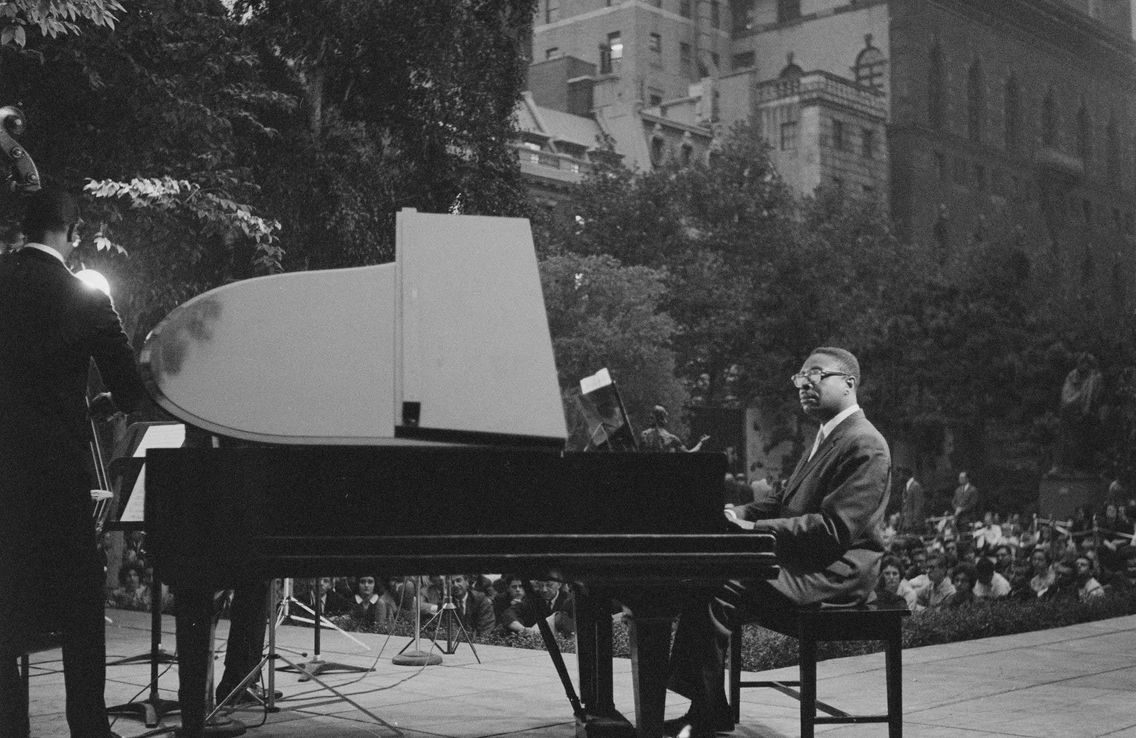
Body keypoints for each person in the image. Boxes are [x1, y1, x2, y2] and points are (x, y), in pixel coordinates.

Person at [667, 347, 890, 737]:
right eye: (800, 377)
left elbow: (834, 530)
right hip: (811, 564)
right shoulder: (827, 436)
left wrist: (754, 531)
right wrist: (734, 514)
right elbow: (781, 503)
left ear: (849, 383)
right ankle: (706, 709)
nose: (804, 384)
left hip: (838, 574)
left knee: (719, 583)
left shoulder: (864, 444)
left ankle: (706, 715)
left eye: (816, 375)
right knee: (709, 578)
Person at [0, 188, 146, 738]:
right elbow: (130, 388)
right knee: (81, 608)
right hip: (58, 474)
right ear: (71, 232)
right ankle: (88, 726)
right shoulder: (85, 297)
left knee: (4, 605)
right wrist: (104, 401)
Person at [639, 405, 708, 453]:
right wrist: (701, 442)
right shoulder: (671, 438)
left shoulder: (644, 435)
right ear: (663, 419)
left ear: (653, 418)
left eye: (651, 417)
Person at [898, 469, 925, 535]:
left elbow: (918, 506)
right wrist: (901, 525)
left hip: (914, 526)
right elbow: (904, 508)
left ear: (905, 474)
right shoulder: (905, 488)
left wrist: (914, 523)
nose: (899, 477)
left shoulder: (915, 486)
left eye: (900, 474)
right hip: (906, 525)